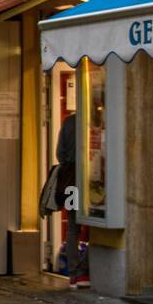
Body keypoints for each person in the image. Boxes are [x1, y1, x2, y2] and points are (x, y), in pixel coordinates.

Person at [55, 112, 88, 287]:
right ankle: (85, 271)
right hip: (91, 179)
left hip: (71, 179)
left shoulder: (69, 121)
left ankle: (74, 275)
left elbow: (59, 153)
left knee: (73, 226)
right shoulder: (96, 119)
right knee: (95, 224)